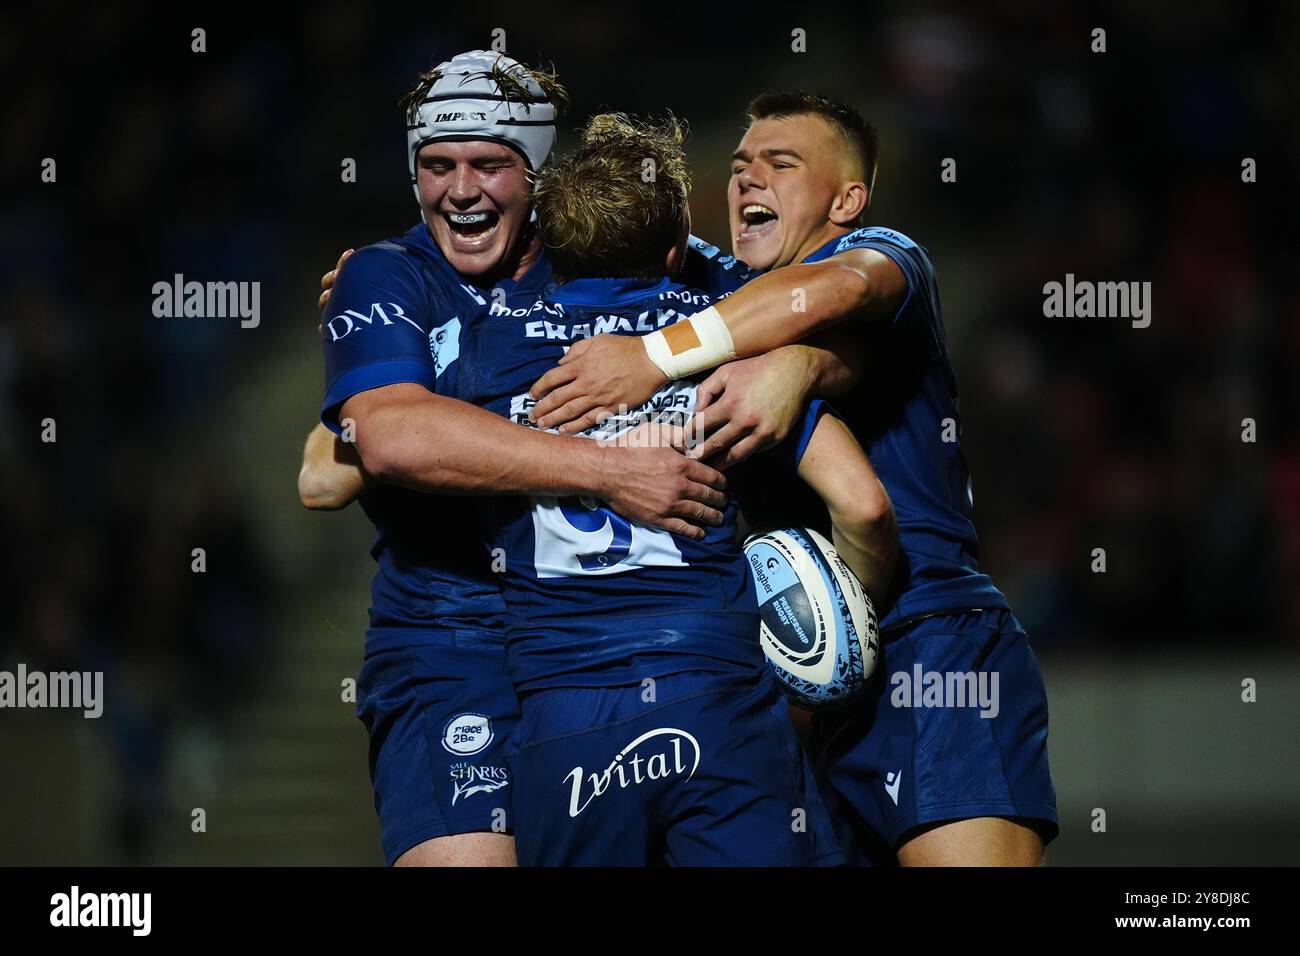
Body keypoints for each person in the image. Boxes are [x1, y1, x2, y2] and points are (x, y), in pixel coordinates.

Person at [530, 91, 1058, 866]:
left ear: (847, 198)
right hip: (806, 674)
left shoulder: (888, 255)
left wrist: (652, 359)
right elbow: (618, 237)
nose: (749, 181)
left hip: (928, 641)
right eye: (742, 166)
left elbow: (837, 294)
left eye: (781, 165)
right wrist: (404, 275)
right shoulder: (724, 300)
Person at [301, 50, 728, 868]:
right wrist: (608, 472)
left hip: (613, 643)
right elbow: (386, 439)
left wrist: (776, 366)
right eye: (437, 166)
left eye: (490, 165)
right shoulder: (386, 274)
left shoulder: (604, 247)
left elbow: (774, 310)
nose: (461, 190)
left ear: (536, 172)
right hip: (452, 646)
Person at [449, 112, 897, 864]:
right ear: (673, 250)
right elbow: (862, 502)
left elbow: (370, 454)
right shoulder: (731, 344)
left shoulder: (478, 350)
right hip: (717, 697)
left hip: (566, 715)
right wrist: (846, 628)